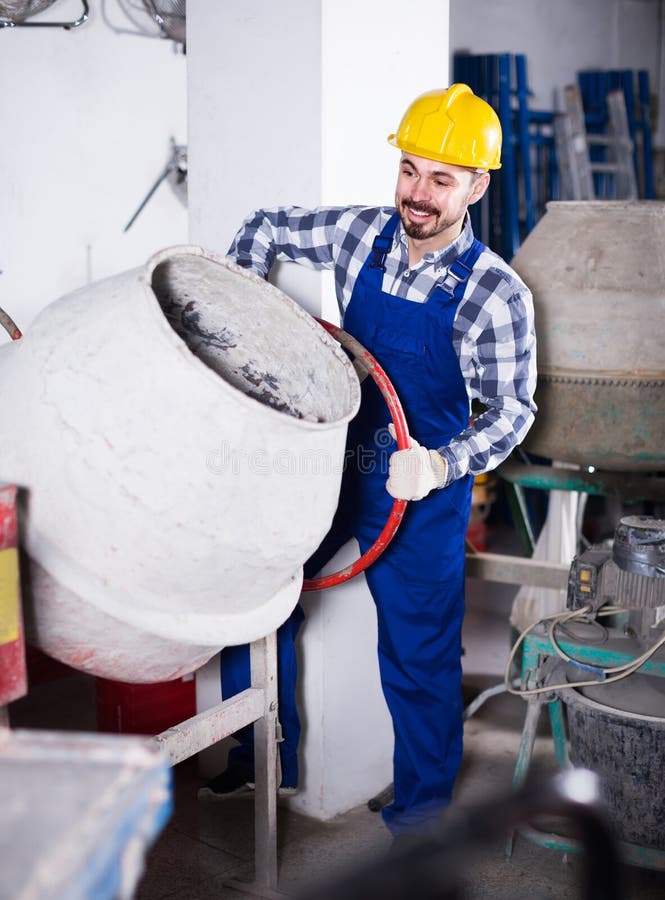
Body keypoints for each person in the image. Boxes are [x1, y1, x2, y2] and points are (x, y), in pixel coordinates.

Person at [198, 84, 537, 836]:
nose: (417, 194)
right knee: (259, 589)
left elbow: (512, 412)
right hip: (336, 459)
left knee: (417, 656)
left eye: (440, 180)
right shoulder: (361, 234)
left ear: (477, 185)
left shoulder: (494, 296)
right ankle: (260, 763)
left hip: (420, 490)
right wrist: (244, 313)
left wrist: (442, 466)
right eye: (409, 171)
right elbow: (264, 227)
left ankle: (419, 814)